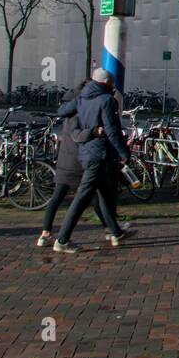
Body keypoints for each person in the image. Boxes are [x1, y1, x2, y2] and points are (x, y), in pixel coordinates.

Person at [54, 68, 134, 253]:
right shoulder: (107, 101)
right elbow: (112, 130)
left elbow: (63, 111)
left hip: (86, 153)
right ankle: (62, 239)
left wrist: (85, 127)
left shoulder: (82, 98)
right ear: (107, 83)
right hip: (99, 155)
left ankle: (115, 232)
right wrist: (124, 152)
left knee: (104, 195)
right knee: (82, 198)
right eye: (112, 84)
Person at [37, 81, 125, 247]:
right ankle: (63, 239)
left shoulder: (74, 105)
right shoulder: (84, 106)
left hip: (69, 158)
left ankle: (46, 233)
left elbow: (63, 116)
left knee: (90, 195)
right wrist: (94, 132)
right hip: (80, 159)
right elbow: (79, 135)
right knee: (88, 197)